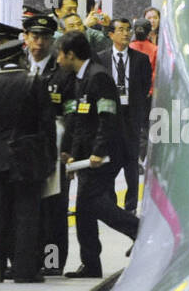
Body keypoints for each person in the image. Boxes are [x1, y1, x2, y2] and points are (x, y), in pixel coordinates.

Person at [0, 38, 54, 283]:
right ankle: (24, 269)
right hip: (27, 156)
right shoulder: (35, 82)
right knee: (26, 213)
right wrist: (49, 156)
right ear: (21, 57)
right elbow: (46, 122)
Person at [55, 30, 138, 278]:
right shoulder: (81, 78)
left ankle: (139, 229)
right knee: (85, 209)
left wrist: (98, 152)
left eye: (60, 54)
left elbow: (107, 116)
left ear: (71, 55)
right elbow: (80, 121)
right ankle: (91, 264)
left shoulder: (97, 77)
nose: (58, 60)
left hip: (106, 155)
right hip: (89, 156)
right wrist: (70, 152)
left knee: (94, 204)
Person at [25, 16, 72, 273]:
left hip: (55, 146)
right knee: (28, 207)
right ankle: (28, 259)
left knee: (54, 208)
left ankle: (52, 262)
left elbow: (73, 114)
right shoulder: (19, 65)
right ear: (26, 37)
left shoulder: (62, 71)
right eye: (35, 36)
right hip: (24, 147)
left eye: (44, 37)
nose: (39, 43)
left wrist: (71, 151)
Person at [99, 18, 152, 215]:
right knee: (111, 158)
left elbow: (145, 86)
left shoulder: (140, 59)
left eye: (128, 30)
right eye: (120, 30)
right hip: (110, 113)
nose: (126, 33)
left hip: (132, 113)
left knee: (131, 159)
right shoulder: (102, 58)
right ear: (111, 34)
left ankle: (131, 204)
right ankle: (111, 202)